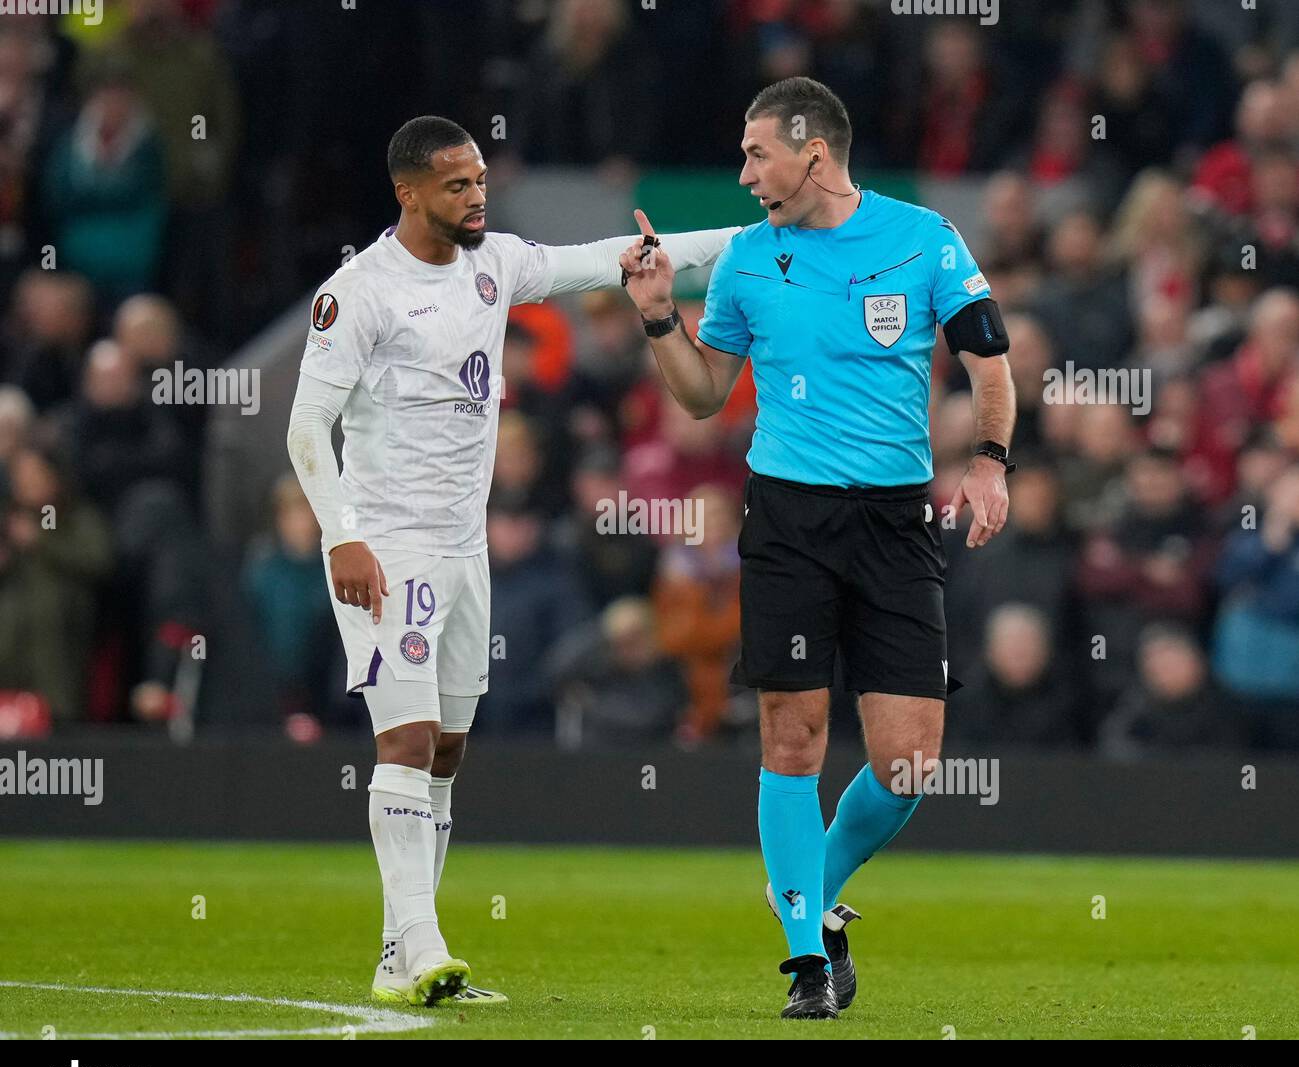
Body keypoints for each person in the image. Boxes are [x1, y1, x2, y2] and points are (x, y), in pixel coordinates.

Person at [285, 115, 739, 1009]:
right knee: (406, 739)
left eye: (481, 180)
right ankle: (422, 946)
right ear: (408, 192)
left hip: (464, 547)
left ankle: (393, 950)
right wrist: (342, 534)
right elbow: (306, 425)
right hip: (386, 546)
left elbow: (606, 254)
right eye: (456, 185)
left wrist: (750, 235)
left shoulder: (495, 267)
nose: (476, 197)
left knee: (448, 750)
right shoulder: (359, 292)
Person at [618, 77, 1015, 1019]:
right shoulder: (748, 261)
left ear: (814, 152)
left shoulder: (925, 240)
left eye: (756, 153)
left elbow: (990, 365)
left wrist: (992, 462)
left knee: (910, 765)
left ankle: (809, 889)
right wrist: (655, 315)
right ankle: (807, 960)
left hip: (895, 523)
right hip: (790, 520)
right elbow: (707, 393)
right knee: (792, 734)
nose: (744, 172)